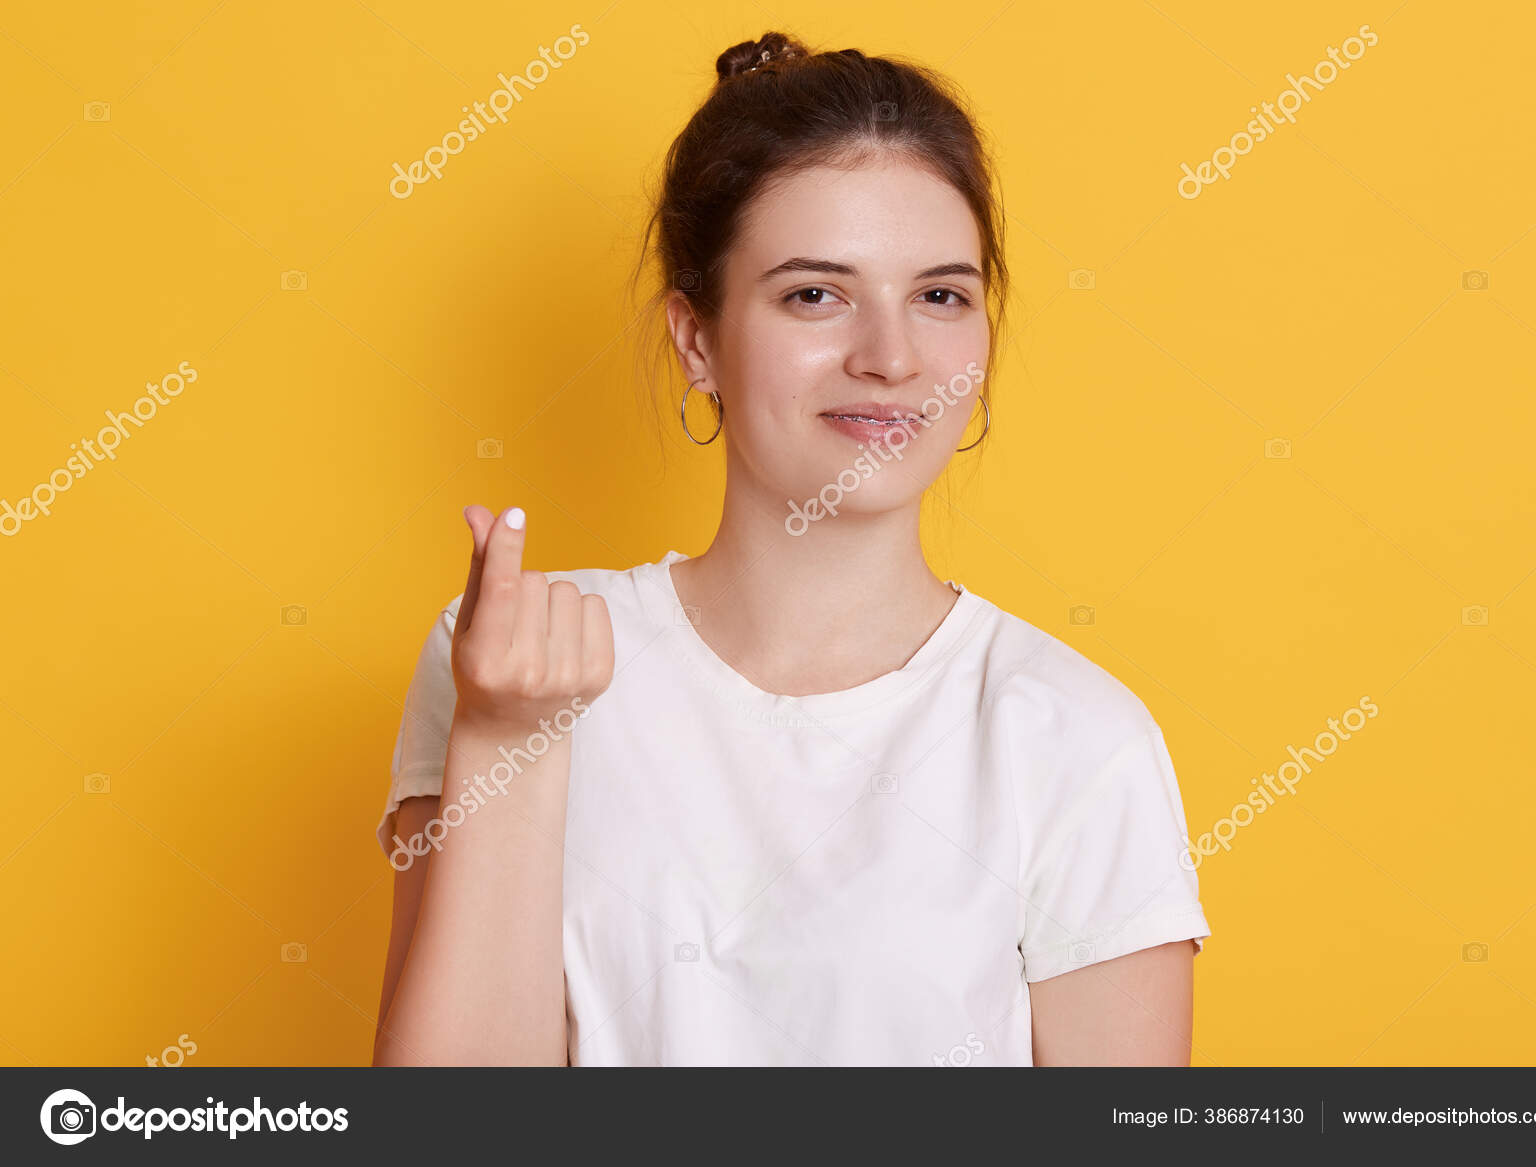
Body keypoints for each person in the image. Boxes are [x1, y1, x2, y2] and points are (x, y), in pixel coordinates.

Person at [372, 31, 1210, 1067]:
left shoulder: (1073, 736)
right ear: (696, 339)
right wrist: (510, 741)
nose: (891, 357)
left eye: (940, 296)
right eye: (815, 293)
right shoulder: (516, 660)